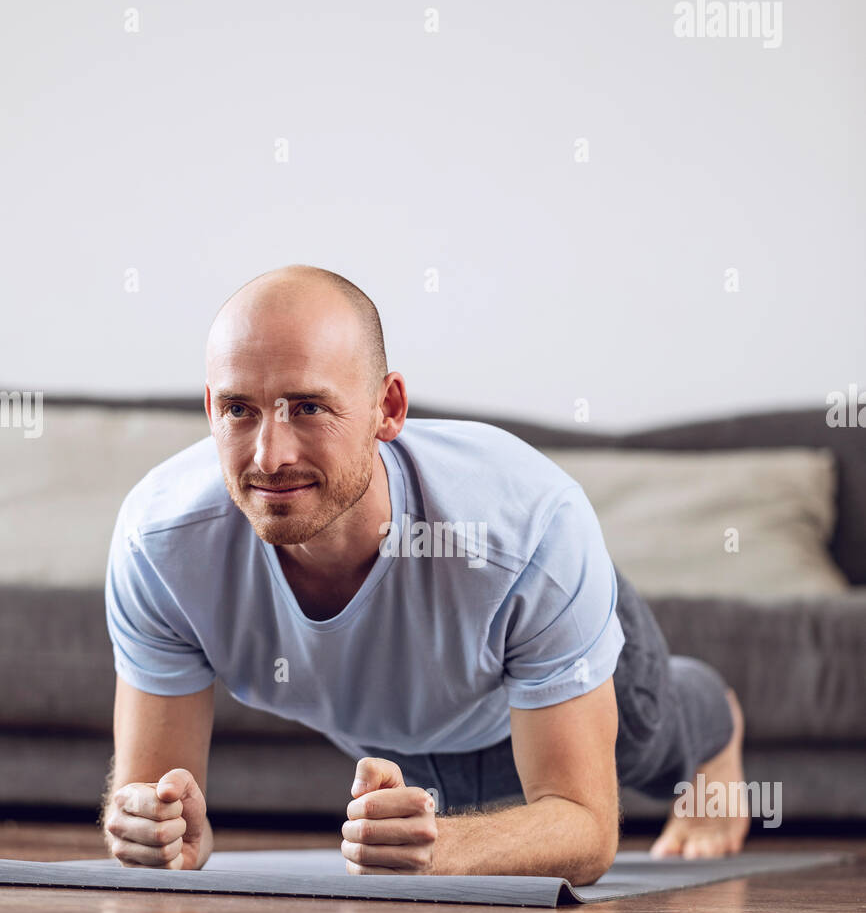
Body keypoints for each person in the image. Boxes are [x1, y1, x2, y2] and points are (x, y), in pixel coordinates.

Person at [102, 265, 749, 880]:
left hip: (531, 681)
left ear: (388, 407)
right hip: (403, 722)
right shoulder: (159, 546)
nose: (270, 456)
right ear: (211, 406)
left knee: (653, 737)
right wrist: (157, 830)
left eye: (308, 408)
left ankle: (714, 716)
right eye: (240, 410)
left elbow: (586, 828)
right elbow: (159, 802)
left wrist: (447, 847)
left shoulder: (526, 529)